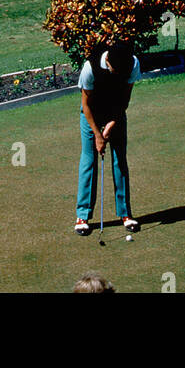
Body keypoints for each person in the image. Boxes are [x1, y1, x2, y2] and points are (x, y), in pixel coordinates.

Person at [74, 40, 140, 235]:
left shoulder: (133, 64)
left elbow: (125, 99)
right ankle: (82, 216)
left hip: (116, 112)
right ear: (108, 61)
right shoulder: (90, 67)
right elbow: (85, 105)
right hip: (91, 113)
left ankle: (126, 214)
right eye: (113, 69)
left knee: (120, 159)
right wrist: (98, 135)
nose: (115, 74)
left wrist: (111, 124)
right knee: (89, 160)